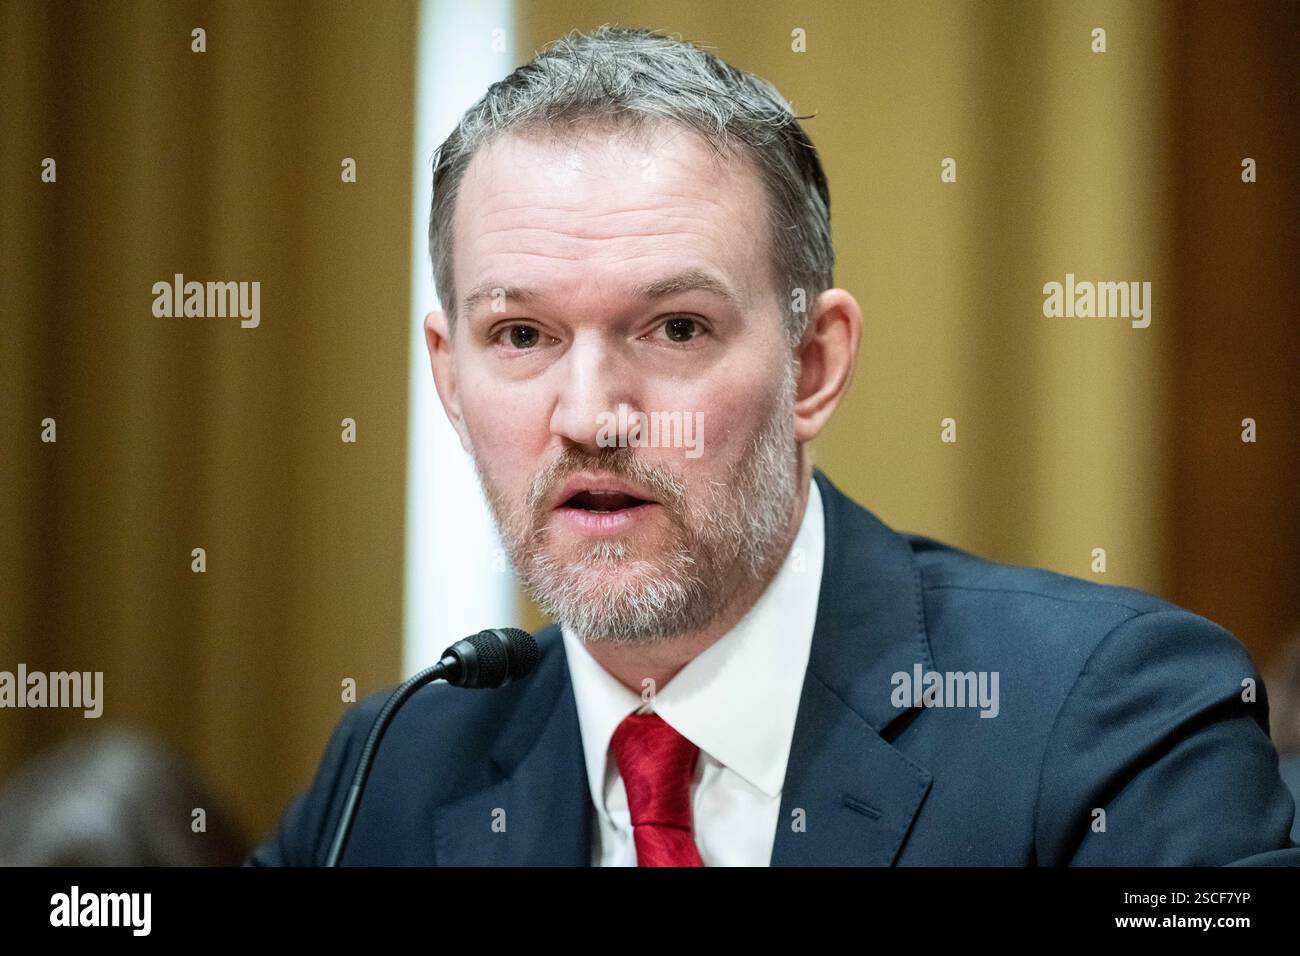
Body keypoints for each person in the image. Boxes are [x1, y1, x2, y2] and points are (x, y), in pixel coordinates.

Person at [248, 26, 1298, 866]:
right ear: (448, 376)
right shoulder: (392, 770)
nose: (590, 415)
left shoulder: (1109, 715)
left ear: (812, 362)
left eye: (675, 329)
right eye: (521, 335)